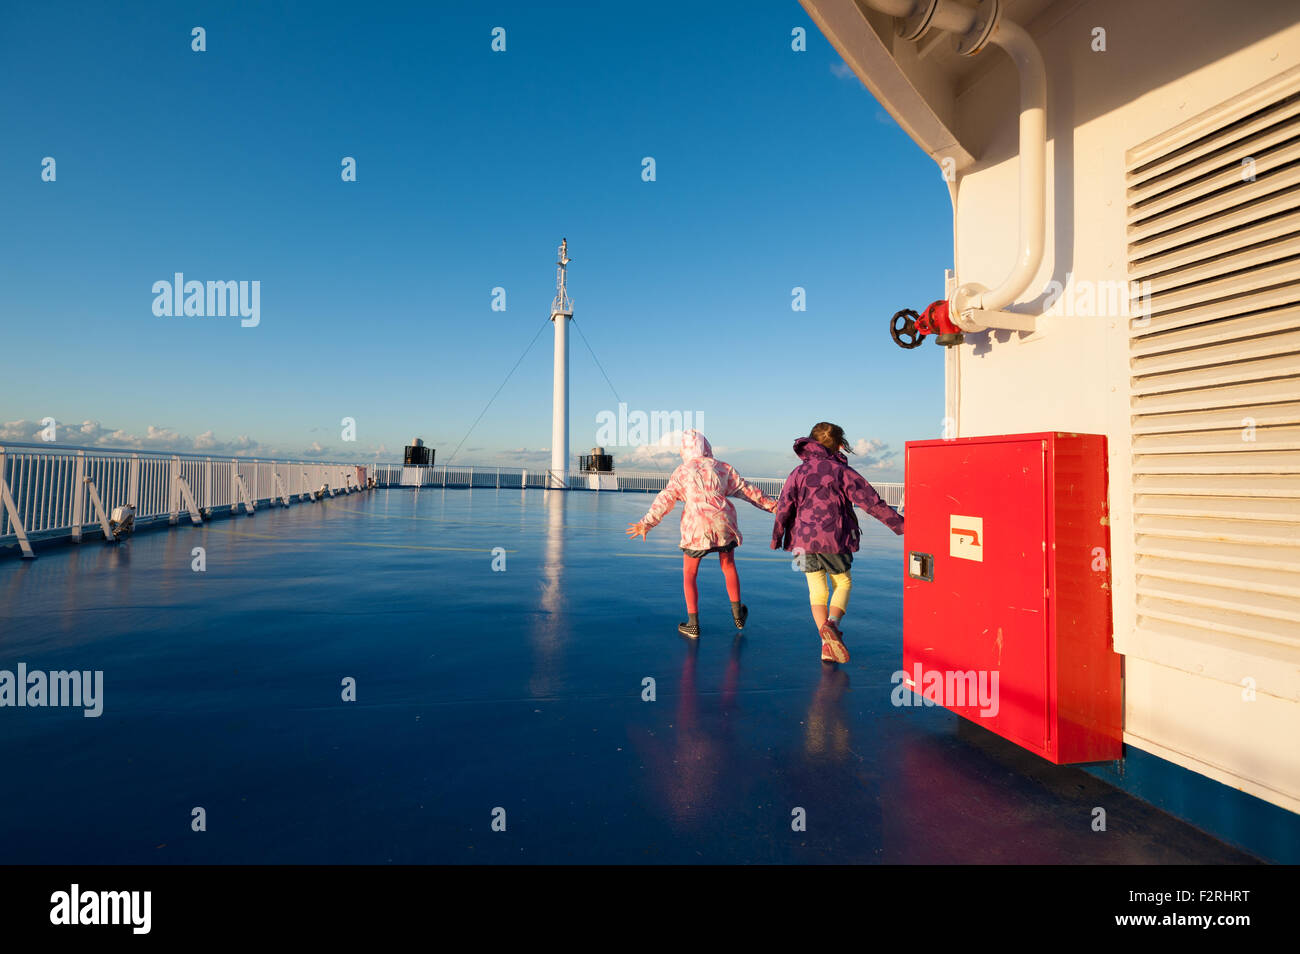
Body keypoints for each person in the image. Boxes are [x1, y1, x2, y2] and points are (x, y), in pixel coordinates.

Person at [771, 422, 903, 663]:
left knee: (816, 591)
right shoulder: (841, 471)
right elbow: (871, 503)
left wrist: (777, 536)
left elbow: (784, 506)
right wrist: (901, 525)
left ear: (811, 443)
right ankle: (832, 624)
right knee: (842, 582)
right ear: (838, 445)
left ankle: (826, 646)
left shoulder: (797, 473)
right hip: (833, 538)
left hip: (802, 541)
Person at [627, 429, 777, 637]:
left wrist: (646, 523)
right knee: (728, 565)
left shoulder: (681, 471)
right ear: (706, 447)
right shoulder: (722, 467)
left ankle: (693, 623)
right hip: (723, 521)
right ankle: (738, 615)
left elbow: (666, 499)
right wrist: (774, 507)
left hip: (695, 526)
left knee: (689, 573)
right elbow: (747, 489)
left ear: (684, 450)